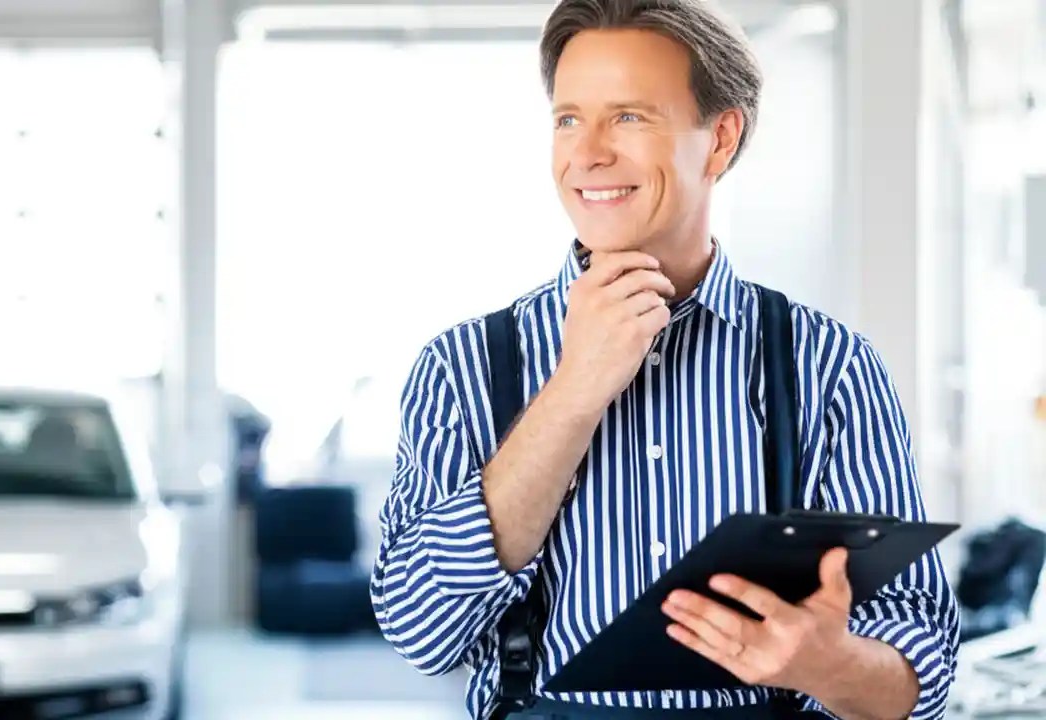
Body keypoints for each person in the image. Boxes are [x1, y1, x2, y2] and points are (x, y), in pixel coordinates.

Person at [370, 1, 961, 719]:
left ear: (720, 139)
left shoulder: (829, 365)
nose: (588, 154)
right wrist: (572, 392)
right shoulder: (461, 366)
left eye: (628, 116)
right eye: (568, 119)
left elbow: (922, 663)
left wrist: (828, 665)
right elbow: (420, 631)